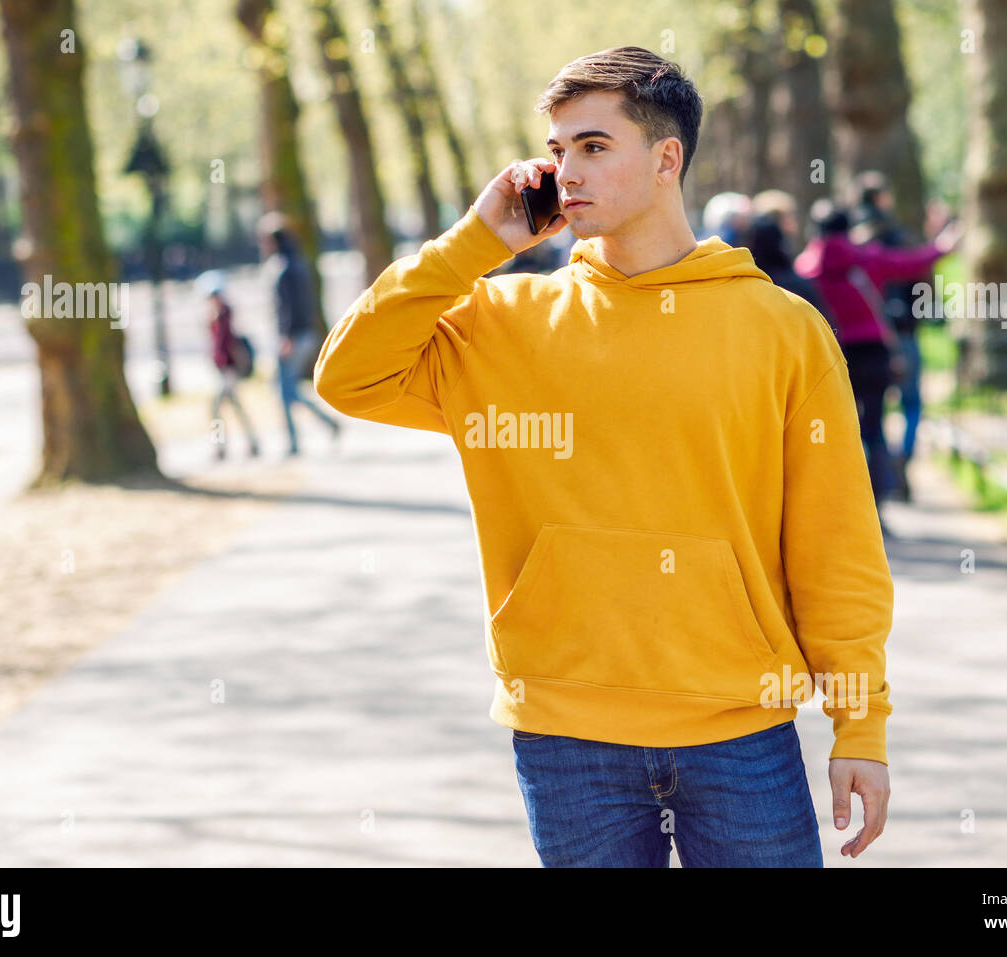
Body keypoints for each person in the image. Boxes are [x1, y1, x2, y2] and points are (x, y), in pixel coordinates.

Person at [315, 47, 893, 867]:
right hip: (565, 738)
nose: (565, 172)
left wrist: (859, 723)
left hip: (740, 730)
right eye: (556, 151)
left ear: (667, 159)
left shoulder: (782, 331)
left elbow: (837, 546)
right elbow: (347, 375)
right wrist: (475, 243)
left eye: (593, 146)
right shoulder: (502, 320)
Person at [794, 200, 959, 524]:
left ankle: (837, 506)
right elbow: (910, 263)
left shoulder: (806, 267)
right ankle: (877, 504)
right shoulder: (864, 258)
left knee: (833, 430)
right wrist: (943, 245)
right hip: (873, 353)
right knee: (875, 427)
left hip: (830, 355)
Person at [848, 171, 945, 501]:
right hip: (900, 333)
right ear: (882, 199)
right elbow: (917, 279)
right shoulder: (898, 238)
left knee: (868, 411)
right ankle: (903, 458)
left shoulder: (851, 241)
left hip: (857, 341)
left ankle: (876, 473)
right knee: (911, 403)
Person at [257, 213, 341, 456]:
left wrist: (286, 338)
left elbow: (288, 308)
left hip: (292, 338)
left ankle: (296, 442)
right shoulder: (299, 263)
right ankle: (324, 426)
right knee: (287, 389)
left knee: (285, 391)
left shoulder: (283, 269)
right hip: (304, 334)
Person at [198, 269, 260, 460]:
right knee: (235, 407)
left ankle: (221, 447)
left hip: (229, 369)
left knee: (216, 407)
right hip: (222, 368)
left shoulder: (224, 314)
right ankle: (252, 442)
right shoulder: (215, 316)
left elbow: (228, 343)